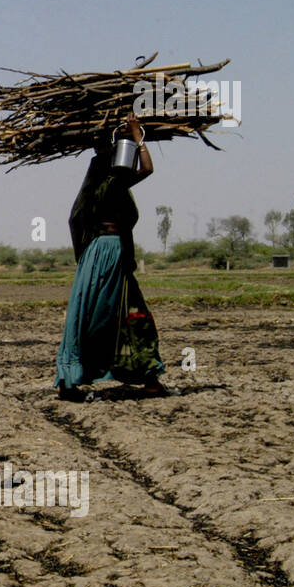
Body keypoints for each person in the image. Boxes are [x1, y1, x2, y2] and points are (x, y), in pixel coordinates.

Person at [55, 114, 167, 401]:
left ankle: (72, 378)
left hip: (95, 255)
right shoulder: (113, 180)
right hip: (112, 252)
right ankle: (149, 379)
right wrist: (137, 138)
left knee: (90, 312)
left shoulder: (94, 187)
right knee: (129, 314)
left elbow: (74, 220)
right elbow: (148, 169)